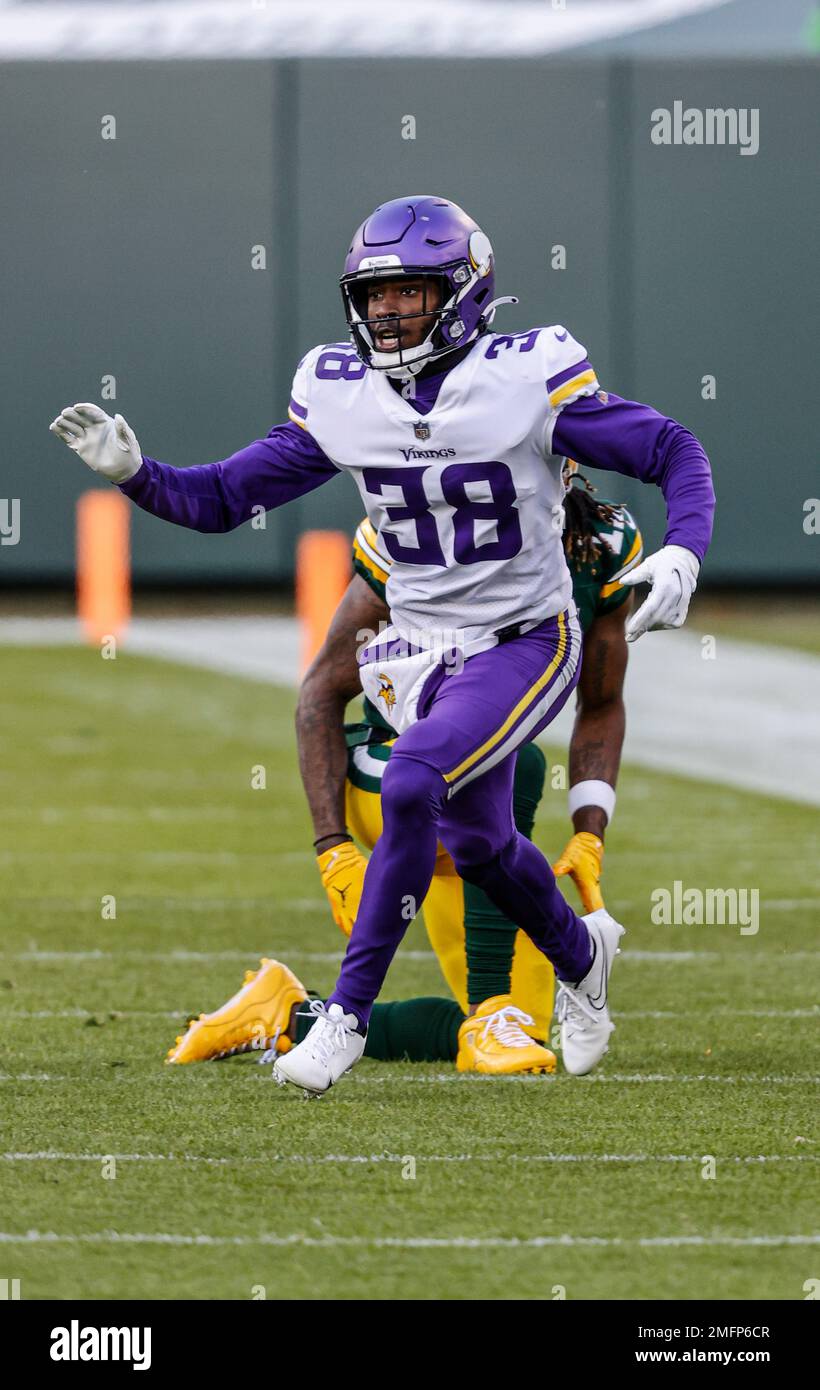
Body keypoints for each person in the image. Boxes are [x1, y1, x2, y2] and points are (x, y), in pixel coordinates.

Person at [50, 194, 714, 1093]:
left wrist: (684, 547)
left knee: (413, 784)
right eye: (373, 295)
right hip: (421, 653)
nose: (387, 311)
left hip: (523, 636)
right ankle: (581, 958)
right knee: (480, 845)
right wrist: (137, 474)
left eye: (409, 292)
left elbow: (673, 446)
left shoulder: (522, 379)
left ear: (465, 290)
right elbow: (220, 501)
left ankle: (346, 1021)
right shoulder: (343, 392)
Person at [167, 471, 641, 1074]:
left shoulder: (598, 543)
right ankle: (489, 1008)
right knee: (516, 762)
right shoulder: (420, 522)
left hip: (473, 811)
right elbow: (321, 691)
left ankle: (286, 1017)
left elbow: (601, 701)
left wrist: (589, 830)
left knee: (534, 1033)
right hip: (390, 769)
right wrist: (331, 848)